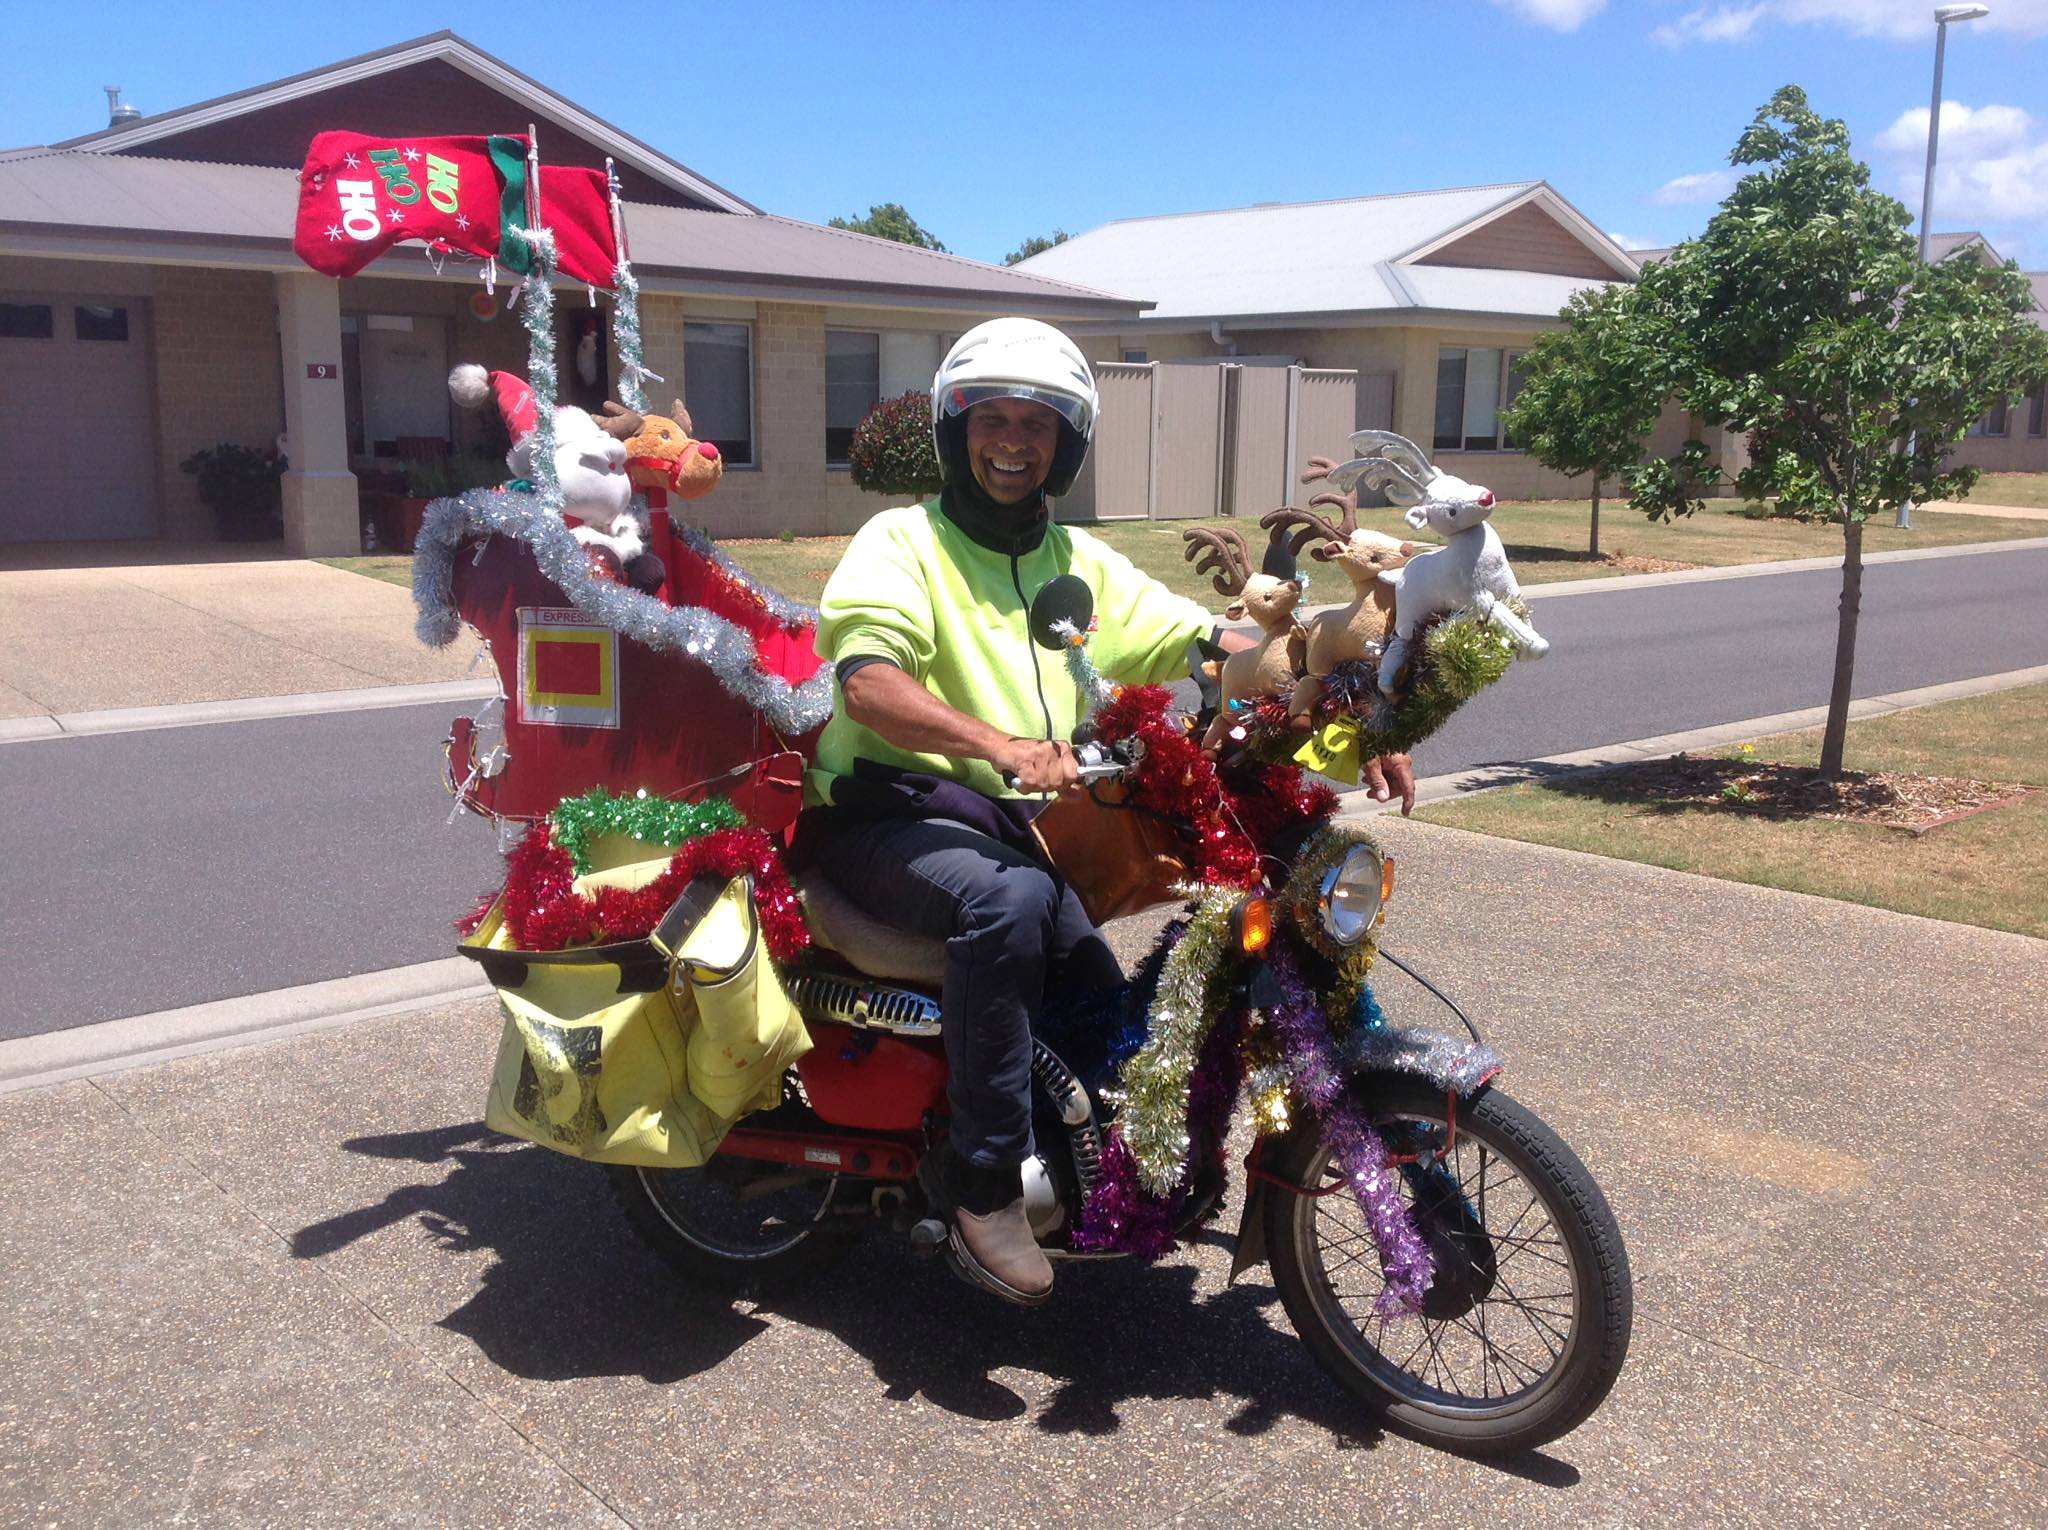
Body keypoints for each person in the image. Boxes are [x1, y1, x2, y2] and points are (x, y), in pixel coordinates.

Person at [798, 318, 1413, 1305]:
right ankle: (985, 1184)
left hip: (1023, 828)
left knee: (1093, 1015)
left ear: (1065, 443)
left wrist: (1336, 699)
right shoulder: (900, 543)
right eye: (990, 420)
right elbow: (867, 684)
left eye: (1036, 424)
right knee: (1004, 906)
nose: (1013, 441)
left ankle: (1095, 1166)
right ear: (956, 434)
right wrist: (998, 747)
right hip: (889, 813)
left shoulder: (1071, 561)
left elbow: (1210, 645)